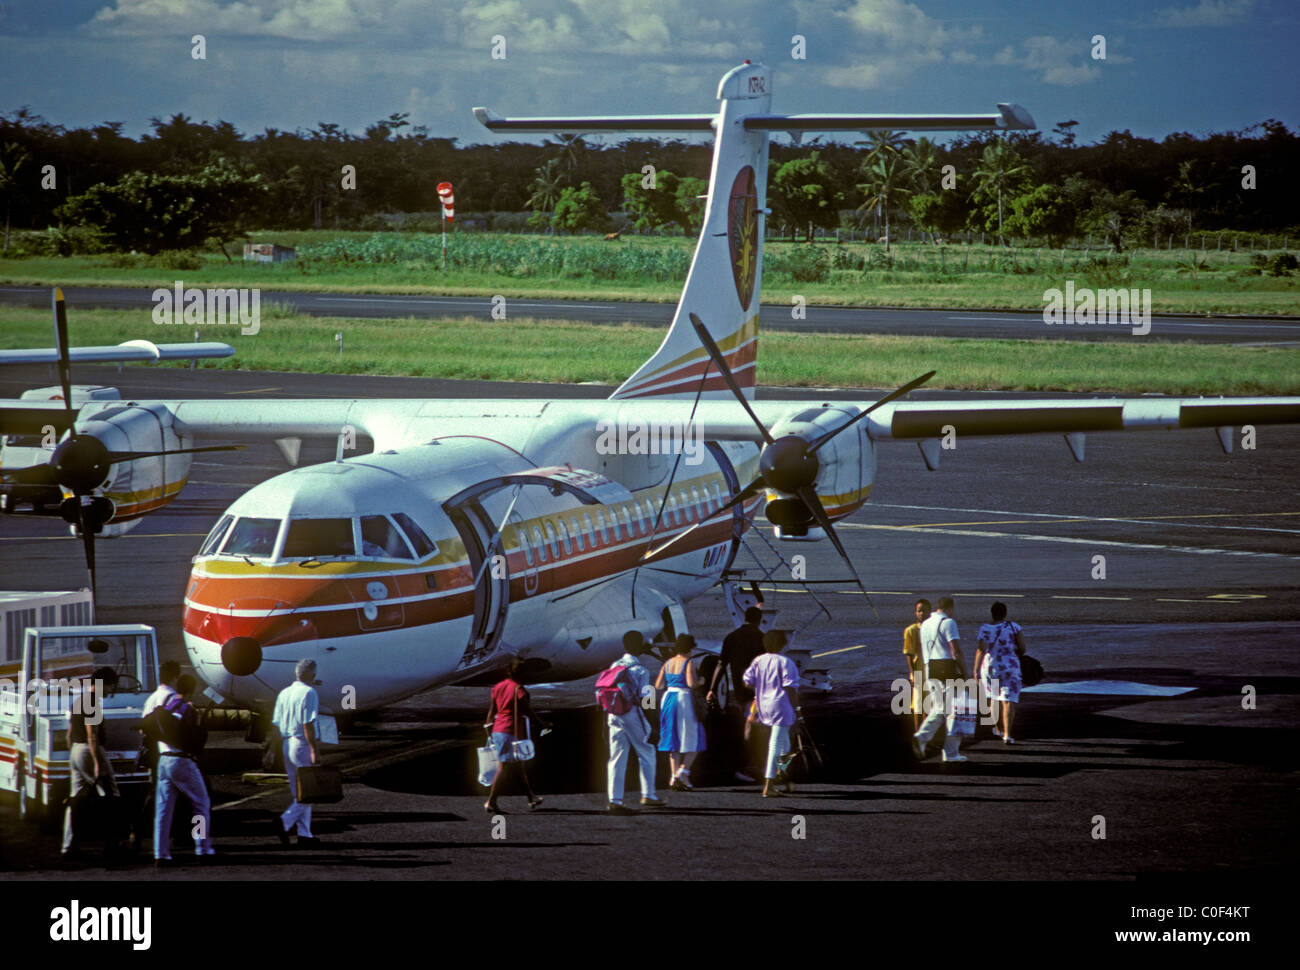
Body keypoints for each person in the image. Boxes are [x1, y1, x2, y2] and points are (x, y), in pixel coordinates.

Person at [150, 672, 213, 864]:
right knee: (200, 804)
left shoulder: (168, 706)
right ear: (192, 690)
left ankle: (160, 853)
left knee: (163, 809)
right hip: (181, 760)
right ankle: (201, 848)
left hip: (163, 759)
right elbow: (192, 737)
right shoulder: (188, 709)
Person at [62, 668, 122, 859]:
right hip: (89, 750)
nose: (111, 690)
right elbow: (92, 735)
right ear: (104, 683)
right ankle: (112, 844)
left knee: (76, 798)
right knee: (111, 794)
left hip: (75, 751)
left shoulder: (79, 701)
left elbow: (69, 733)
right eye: (111, 685)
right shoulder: (93, 703)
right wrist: (97, 763)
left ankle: (68, 846)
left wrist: (72, 754)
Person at [606, 630, 664, 814]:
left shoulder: (615, 665)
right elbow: (647, 699)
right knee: (646, 750)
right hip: (632, 714)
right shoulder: (641, 670)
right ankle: (649, 794)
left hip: (613, 714)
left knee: (616, 756)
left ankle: (615, 799)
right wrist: (653, 722)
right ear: (640, 647)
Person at [483, 659, 549, 813]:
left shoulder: (498, 687)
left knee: (519, 765)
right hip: (510, 731)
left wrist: (488, 727)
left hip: (498, 729)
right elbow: (528, 712)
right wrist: (543, 724)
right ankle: (491, 801)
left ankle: (531, 798)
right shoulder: (519, 690)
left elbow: (492, 711)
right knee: (503, 767)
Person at [707, 605, 764, 781]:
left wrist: (712, 689)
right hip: (758, 691)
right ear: (759, 620)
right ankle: (748, 766)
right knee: (755, 729)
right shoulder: (762, 638)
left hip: (740, 691)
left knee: (746, 725)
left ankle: (747, 764)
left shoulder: (731, 637)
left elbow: (721, 664)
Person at [742, 630, 801, 797]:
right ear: (782, 644)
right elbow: (790, 689)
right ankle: (769, 784)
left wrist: (763, 687)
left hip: (764, 705)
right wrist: (798, 711)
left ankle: (783, 776)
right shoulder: (785, 662)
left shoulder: (758, 660)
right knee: (775, 745)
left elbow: (747, 682)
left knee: (784, 745)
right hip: (781, 706)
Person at [272, 658, 322, 846]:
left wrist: (271, 750)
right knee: (309, 791)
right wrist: (314, 749)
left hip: (286, 744)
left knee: (298, 792)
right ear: (311, 674)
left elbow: (275, 725)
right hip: (301, 744)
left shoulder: (284, 693)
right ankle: (285, 821)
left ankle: (305, 834)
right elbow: (307, 723)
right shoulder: (309, 693)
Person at [912, 596, 968, 763]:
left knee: (940, 709)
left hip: (931, 670)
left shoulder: (926, 624)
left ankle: (922, 737)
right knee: (958, 710)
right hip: (947, 670)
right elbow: (955, 650)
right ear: (950, 608)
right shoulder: (948, 623)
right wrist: (965, 672)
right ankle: (950, 752)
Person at [656, 634, 706, 791]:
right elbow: (692, 684)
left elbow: (657, 685)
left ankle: (673, 777)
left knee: (673, 737)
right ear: (690, 648)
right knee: (694, 737)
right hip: (684, 699)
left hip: (668, 698)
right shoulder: (689, 663)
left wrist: (648, 704)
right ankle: (683, 772)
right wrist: (702, 681)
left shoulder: (667, 663)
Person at [974, 602, 1027, 743]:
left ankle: (998, 729)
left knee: (994, 698)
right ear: (1005, 613)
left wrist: (975, 669)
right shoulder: (1014, 627)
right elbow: (1023, 648)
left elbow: (981, 649)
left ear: (991, 613)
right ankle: (1007, 735)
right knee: (1008, 700)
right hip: (1010, 666)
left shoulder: (984, 628)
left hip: (991, 666)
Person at [902, 599, 931, 732]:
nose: (922, 613)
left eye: (925, 610)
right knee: (918, 705)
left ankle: (926, 734)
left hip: (933, 671)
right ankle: (918, 733)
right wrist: (912, 673)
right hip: (919, 670)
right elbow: (909, 654)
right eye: (919, 611)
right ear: (915, 613)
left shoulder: (933, 628)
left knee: (929, 705)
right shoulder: (911, 630)